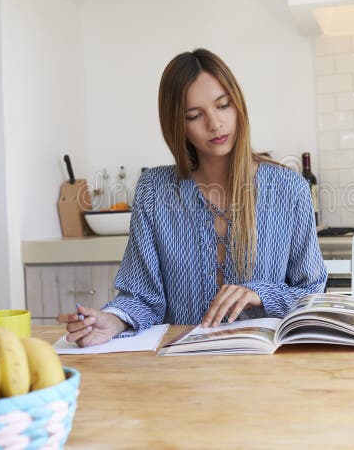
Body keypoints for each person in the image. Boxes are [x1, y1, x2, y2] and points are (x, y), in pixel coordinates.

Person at [57, 48, 327, 346]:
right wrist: (112, 320)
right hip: (183, 369)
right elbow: (142, 297)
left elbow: (312, 295)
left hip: (265, 368)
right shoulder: (154, 190)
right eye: (195, 115)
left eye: (223, 106)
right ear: (178, 125)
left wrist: (260, 293)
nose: (215, 124)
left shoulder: (290, 188)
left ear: (238, 106)